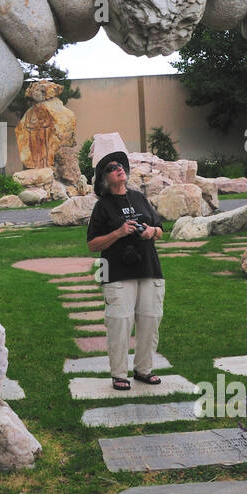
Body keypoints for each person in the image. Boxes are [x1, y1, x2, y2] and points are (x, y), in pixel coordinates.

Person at [85, 136, 166, 390]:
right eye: (110, 168)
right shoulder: (102, 207)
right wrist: (119, 233)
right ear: (104, 179)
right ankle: (119, 374)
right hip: (117, 273)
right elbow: (92, 244)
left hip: (149, 268)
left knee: (150, 319)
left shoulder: (139, 198)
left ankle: (144, 370)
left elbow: (160, 228)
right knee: (120, 323)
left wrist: (150, 232)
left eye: (120, 164)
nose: (118, 168)